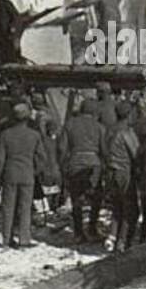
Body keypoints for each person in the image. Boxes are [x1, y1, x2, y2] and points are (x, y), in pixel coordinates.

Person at [0, 103, 44, 248]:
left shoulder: (5, 135)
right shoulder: (35, 135)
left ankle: (6, 239)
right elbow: (41, 157)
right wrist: (35, 171)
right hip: (27, 173)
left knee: (8, 207)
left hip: (9, 173)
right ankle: (24, 239)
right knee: (25, 207)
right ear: (28, 118)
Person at [60, 97, 107, 242]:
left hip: (75, 163)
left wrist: (63, 165)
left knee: (76, 199)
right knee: (96, 198)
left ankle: (78, 232)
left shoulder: (70, 124)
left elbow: (62, 148)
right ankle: (92, 228)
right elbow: (104, 149)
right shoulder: (99, 127)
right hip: (94, 164)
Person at [103, 101, 140, 252]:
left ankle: (112, 236)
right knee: (130, 209)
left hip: (110, 172)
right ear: (129, 114)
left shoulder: (109, 130)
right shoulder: (127, 133)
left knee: (117, 206)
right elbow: (136, 154)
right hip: (124, 172)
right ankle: (123, 242)